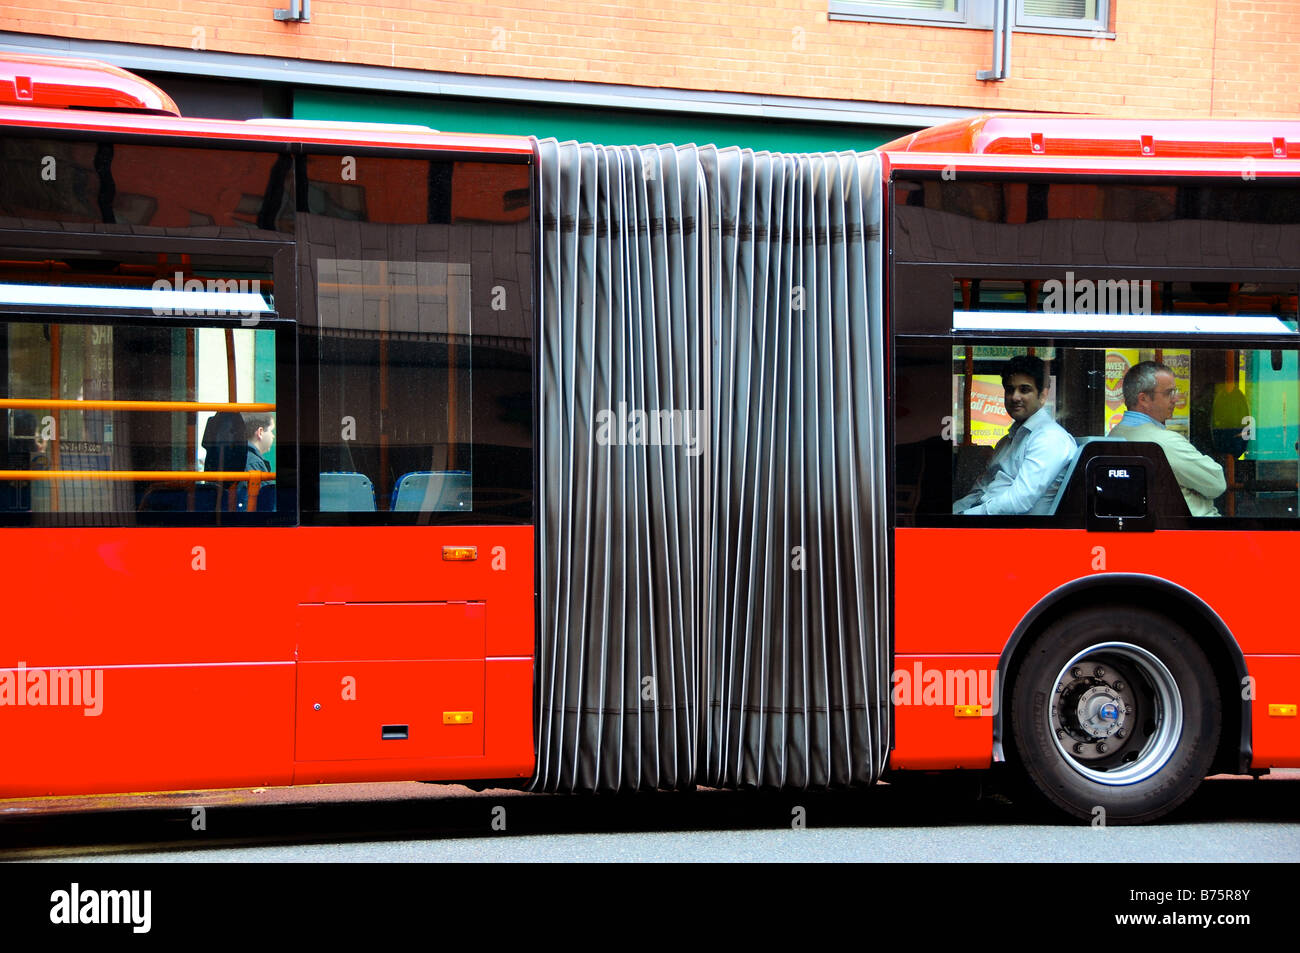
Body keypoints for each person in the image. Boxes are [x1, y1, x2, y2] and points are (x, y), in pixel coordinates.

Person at [954, 354, 1077, 515]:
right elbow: (980, 491)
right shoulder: (1006, 442)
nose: (1015, 397)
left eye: (1024, 390)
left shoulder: (1050, 438)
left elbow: (1018, 502)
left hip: (1019, 533)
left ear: (1043, 395)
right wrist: (953, 514)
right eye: (1010, 390)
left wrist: (965, 517)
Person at [1108, 361, 1225, 516]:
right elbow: (1217, 483)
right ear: (1143, 399)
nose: (1175, 399)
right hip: (1196, 532)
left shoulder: (1114, 435)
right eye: (1169, 393)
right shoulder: (1165, 442)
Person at [238, 412, 275, 510]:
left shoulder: (240, 456)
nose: (273, 436)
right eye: (271, 431)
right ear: (260, 432)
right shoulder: (253, 463)